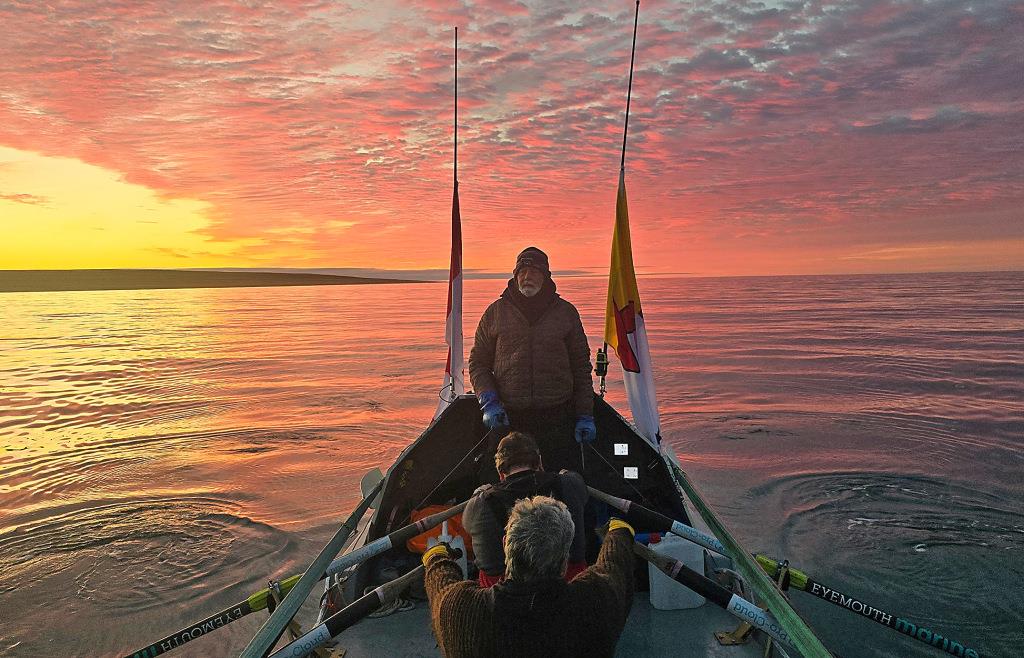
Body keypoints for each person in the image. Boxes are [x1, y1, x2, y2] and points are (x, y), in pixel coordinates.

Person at [424, 495, 635, 658]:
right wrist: (619, 531)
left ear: (506, 544)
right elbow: (614, 566)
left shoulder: (459, 610)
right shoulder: (596, 601)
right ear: (564, 560)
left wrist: (437, 558)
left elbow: (441, 586)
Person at [469, 246, 596, 473]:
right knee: (495, 478)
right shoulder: (495, 313)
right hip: (508, 417)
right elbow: (478, 363)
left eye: (535, 271)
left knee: (561, 479)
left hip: (557, 417)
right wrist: (489, 401)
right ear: (515, 275)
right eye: (522, 271)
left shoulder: (566, 313)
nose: (527, 276)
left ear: (546, 277)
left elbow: (581, 367)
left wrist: (585, 414)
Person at [462, 431, 588, 586]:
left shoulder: (480, 504)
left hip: (500, 592)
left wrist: (477, 496)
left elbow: (467, 525)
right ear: (539, 462)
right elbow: (580, 488)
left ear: (500, 473)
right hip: (570, 583)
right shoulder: (570, 484)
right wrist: (567, 475)